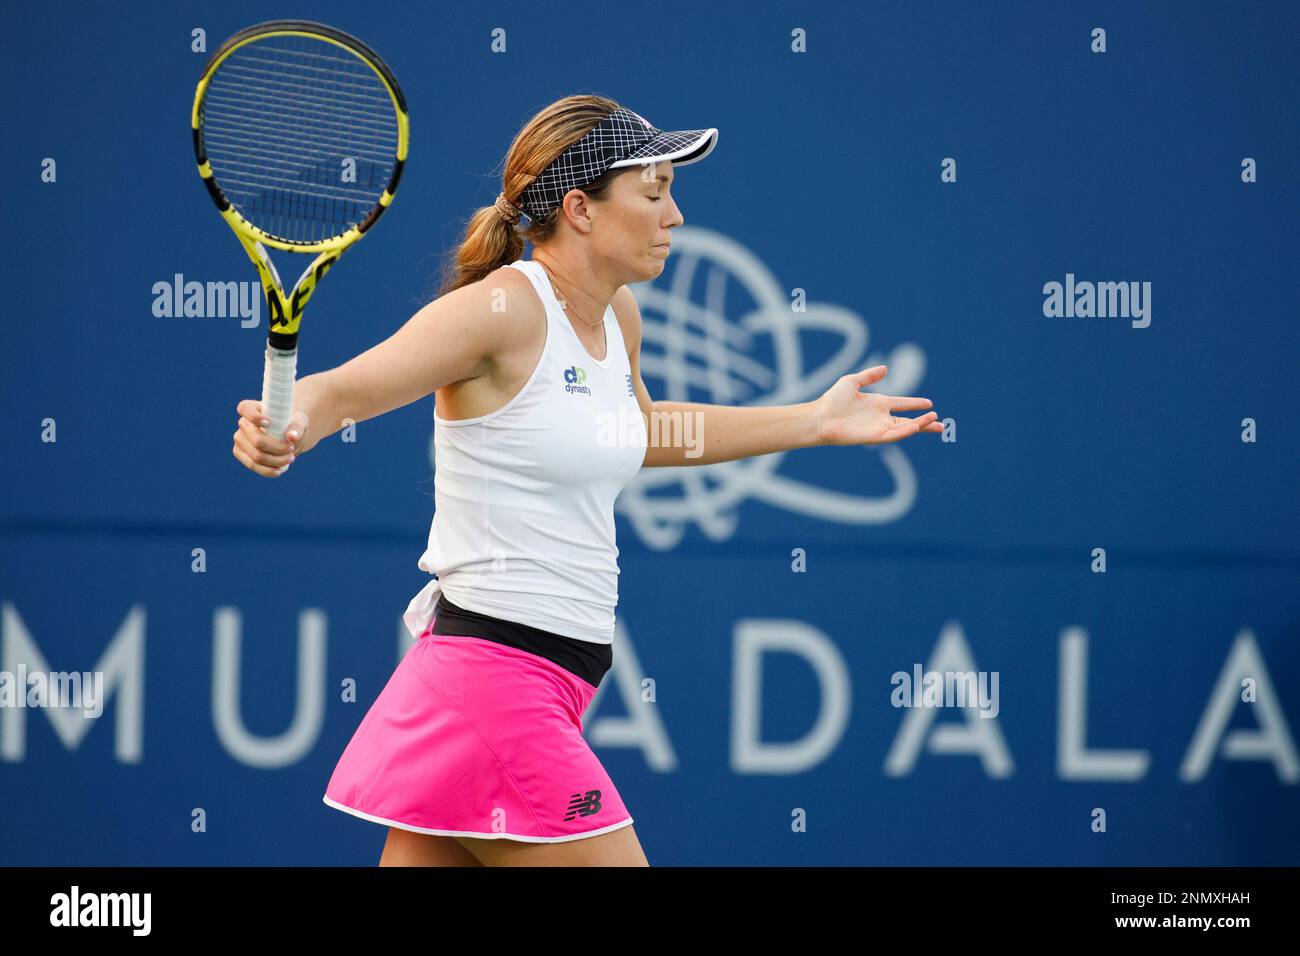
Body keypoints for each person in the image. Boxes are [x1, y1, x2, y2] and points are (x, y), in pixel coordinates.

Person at [231, 94, 942, 866]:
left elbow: (644, 434)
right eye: (654, 191)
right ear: (581, 209)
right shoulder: (499, 311)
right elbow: (342, 390)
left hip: (531, 688)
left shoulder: (617, 317)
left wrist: (813, 421)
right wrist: (290, 422)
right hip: (494, 688)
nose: (674, 215)